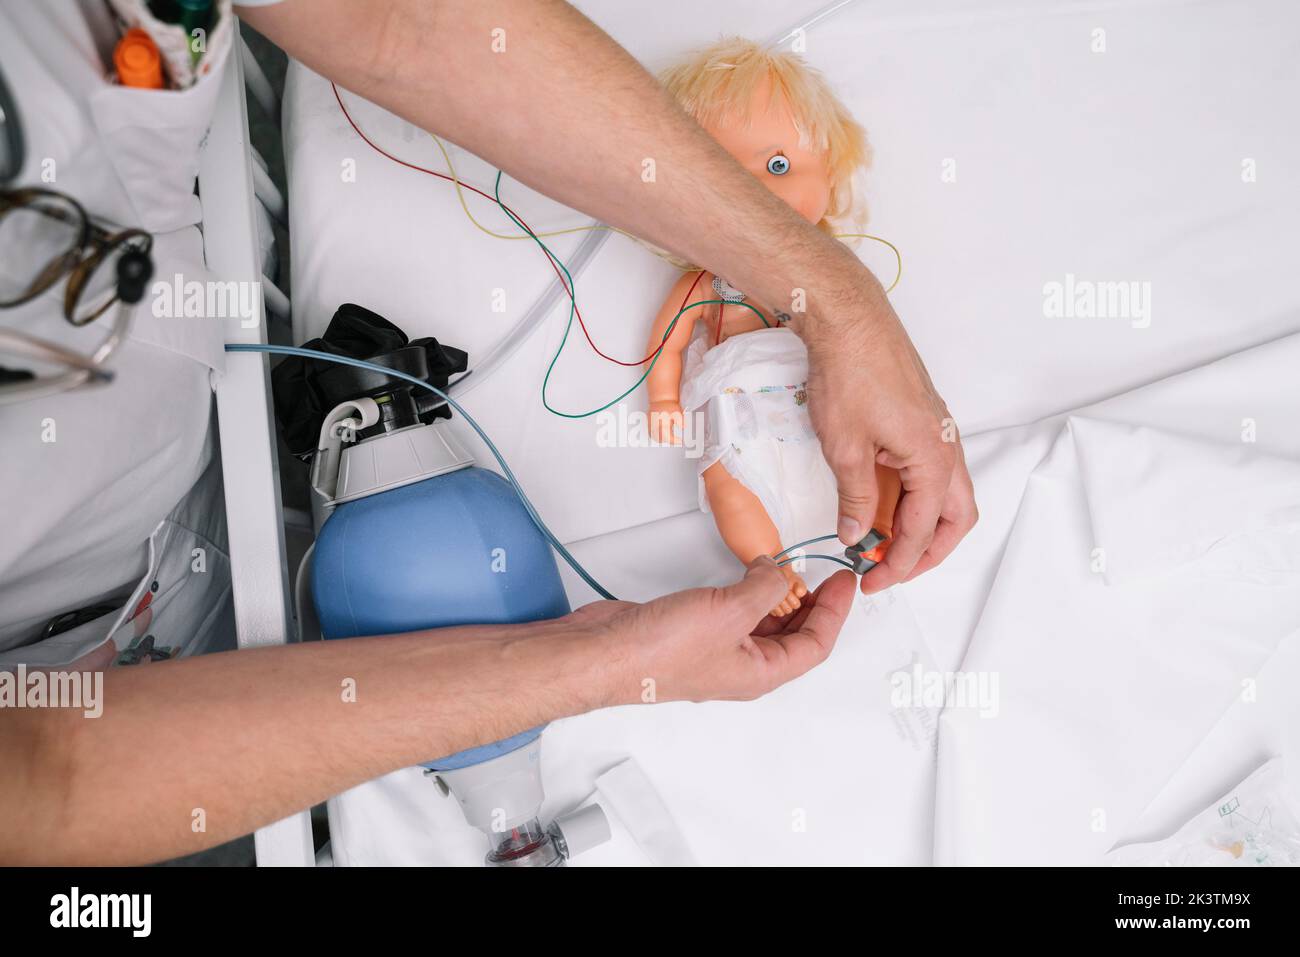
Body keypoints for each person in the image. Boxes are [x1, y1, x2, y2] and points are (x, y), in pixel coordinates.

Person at [0, 0, 975, 865]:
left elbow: (403, 20)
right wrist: (594, 662)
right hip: (91, 711)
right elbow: (42, 781)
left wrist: (837, 301)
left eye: (773, 166)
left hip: (179, 490)